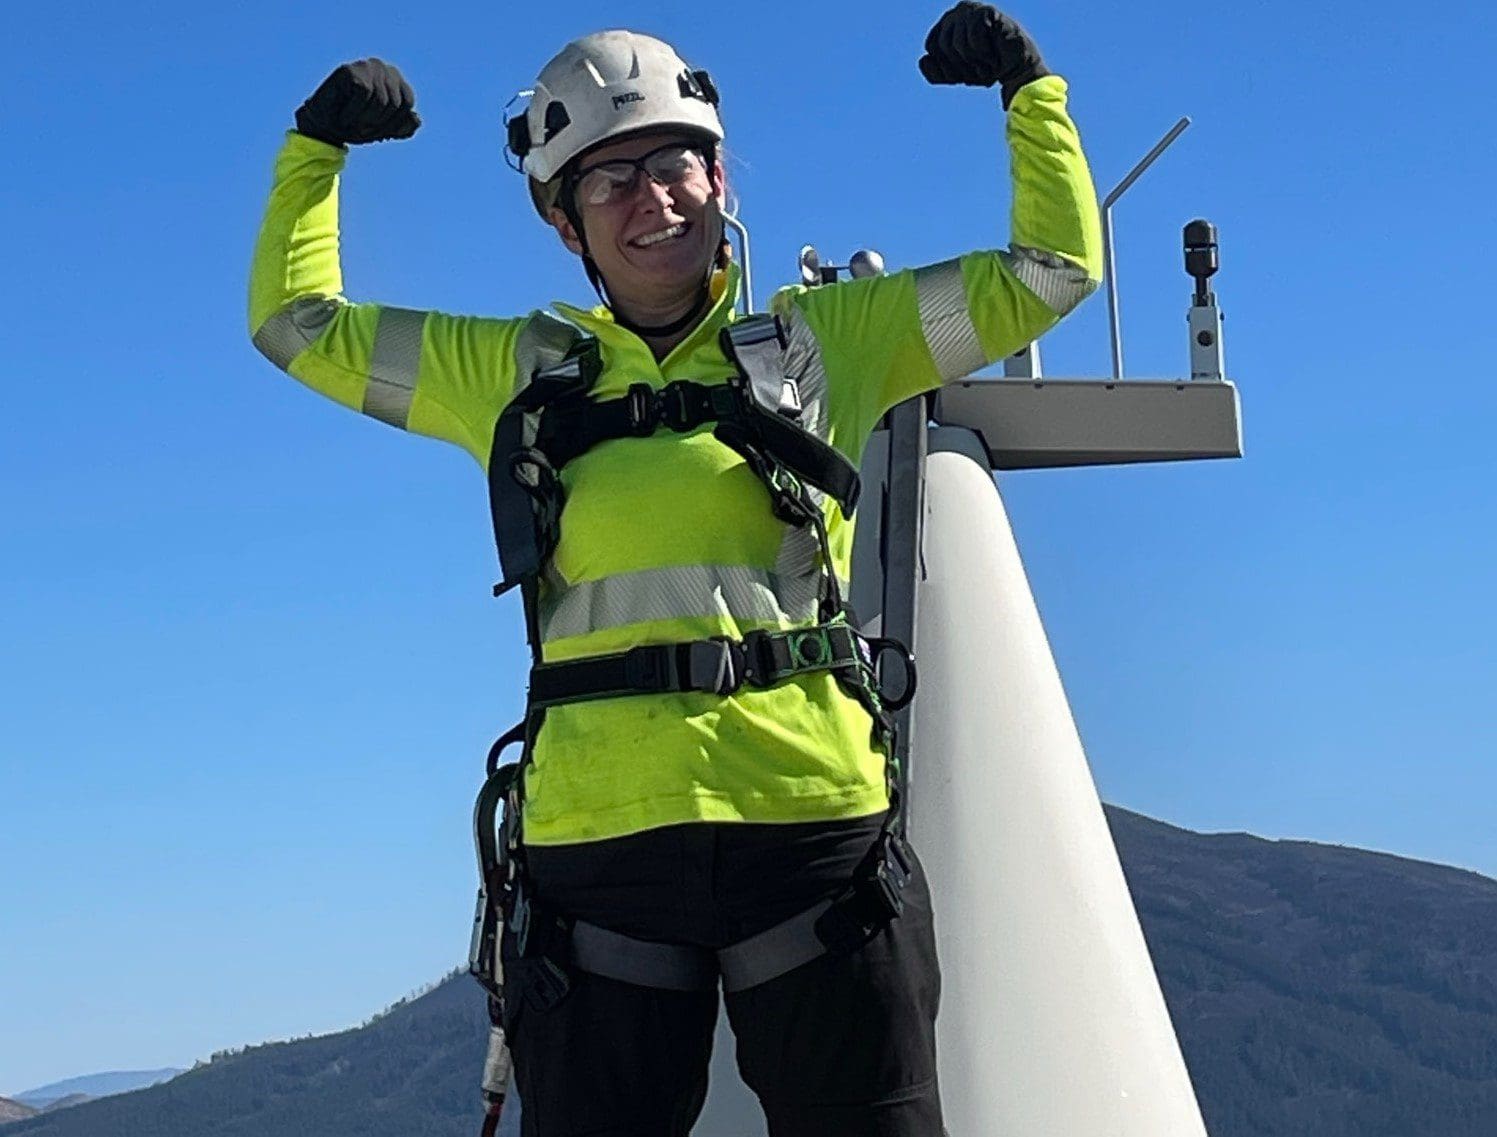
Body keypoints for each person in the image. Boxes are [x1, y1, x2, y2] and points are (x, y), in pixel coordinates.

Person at [248, 3, 1101, 1133]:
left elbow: (1052, 272)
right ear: (566, 226)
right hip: (601, 857)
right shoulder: (505, 372)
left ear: (721, 181)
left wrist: (1029, 95)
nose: (654, 199)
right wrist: (316, 153)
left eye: (676, 164)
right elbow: (298, 323)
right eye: (611, 182)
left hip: (813, 838)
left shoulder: (832, 342)